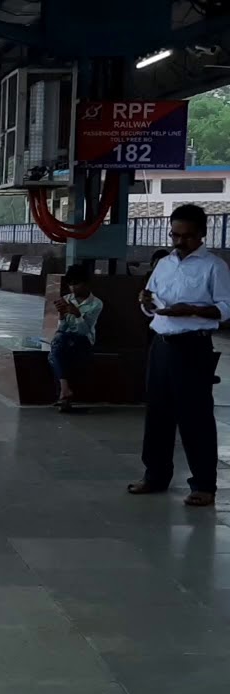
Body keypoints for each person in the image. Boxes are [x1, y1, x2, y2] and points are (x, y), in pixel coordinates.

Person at [131, 204, 230, 507]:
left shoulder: (214, 266)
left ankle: (203, 484)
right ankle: (155, 476)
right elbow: (150, 301)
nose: (179, 241)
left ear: (201, 234)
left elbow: (225, 308)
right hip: (161, 343)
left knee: (195, 416)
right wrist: (146, 302)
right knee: (158, 412)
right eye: (175, 235)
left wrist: (193, 310)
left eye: (186, 236)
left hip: (193, 345)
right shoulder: (164, 264)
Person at [49, 265, 104, 411]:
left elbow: (85, 331)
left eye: (76, 283)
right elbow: (61, 329)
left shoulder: (96, 304)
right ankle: (65, 391)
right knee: (59, 346)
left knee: (56, 351)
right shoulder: (67, 299)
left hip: (83, 341)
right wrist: (61, 316)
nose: (73, 288)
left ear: (86, 283)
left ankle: (63, 392)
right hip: (65, 340)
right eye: (70, 284)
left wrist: (77, 314)